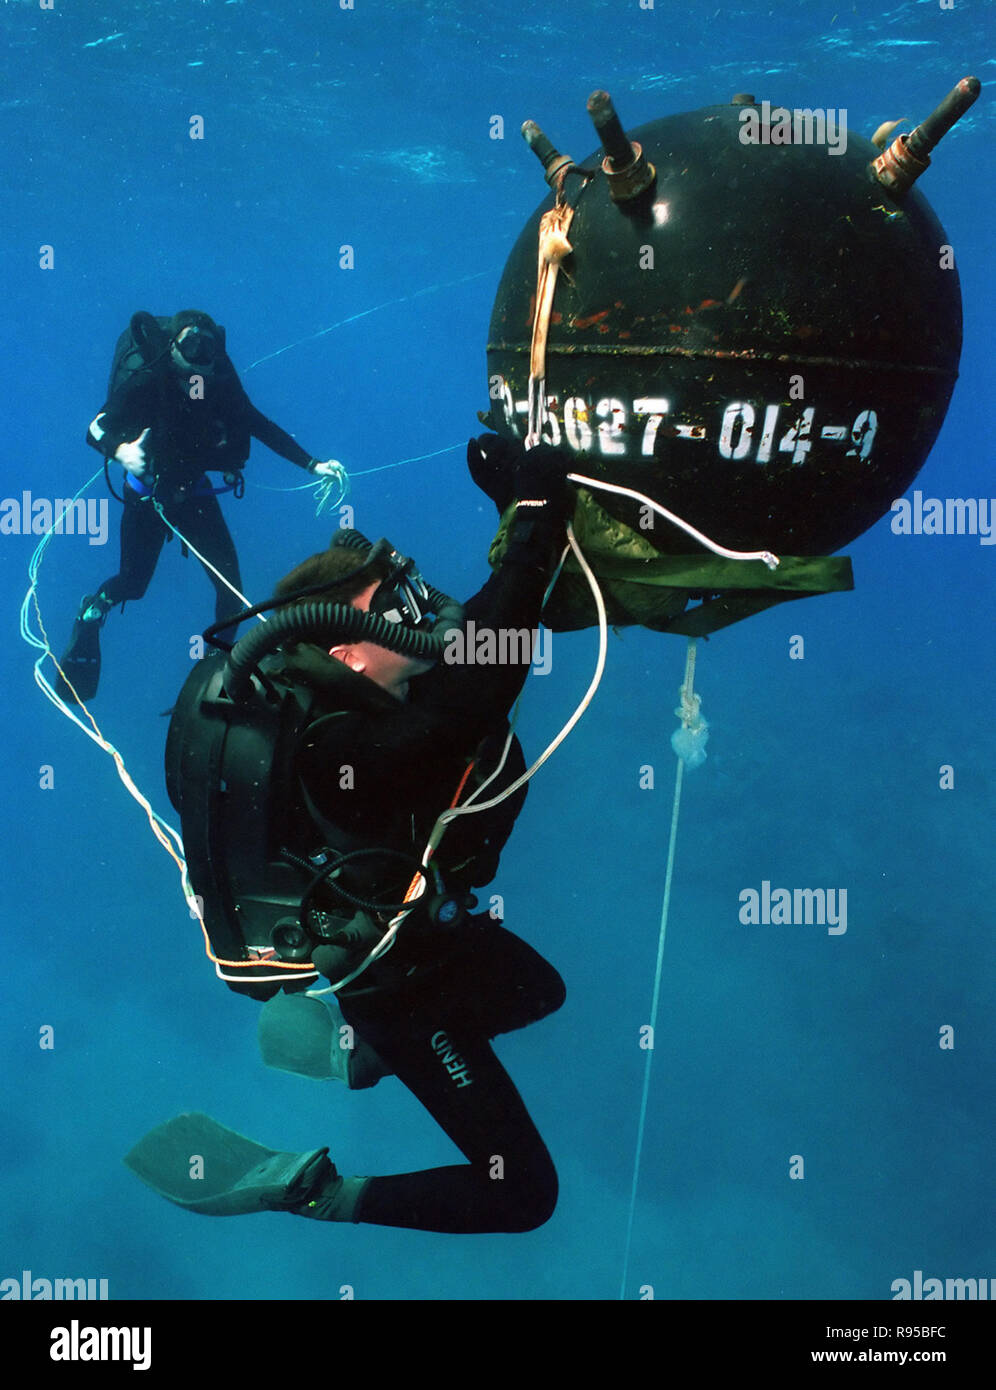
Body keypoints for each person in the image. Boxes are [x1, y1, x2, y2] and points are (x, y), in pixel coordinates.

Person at [126, 436, 576, 1234]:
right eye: (391, 609)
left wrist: (516, 510)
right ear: (345, 652)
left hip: (413, 930)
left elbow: (477, 638)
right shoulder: (336, 751)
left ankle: (354, 1057)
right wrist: (538, 523)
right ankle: (318, 1192)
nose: (418, 613)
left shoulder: (350, 696)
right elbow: (473, 694)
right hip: (398, 984)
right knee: (522, 1193)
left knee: (538, 989)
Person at [57, 309, 342, 701]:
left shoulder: (219, 385)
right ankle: (93, 609)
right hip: (147, 497)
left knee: (232, 593)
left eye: (206, 348)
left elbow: (260, 425)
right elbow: (96, 427)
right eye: (190, 344)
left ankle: (217, 674)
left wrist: (313, 464)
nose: (198, 356)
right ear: (173, 345)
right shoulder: (150, 381)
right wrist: (121, 451)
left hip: (194, 495)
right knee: (133, 584)